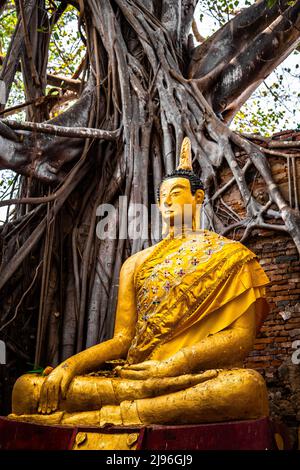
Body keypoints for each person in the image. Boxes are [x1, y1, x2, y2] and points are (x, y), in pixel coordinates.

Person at [10, 138, 270, 426]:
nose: (167, 201)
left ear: (198, 198)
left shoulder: (232, 255)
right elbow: (123, 340)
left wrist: (177, 364)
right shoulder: (136, 263)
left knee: (246, 388)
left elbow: (240, 338)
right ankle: (144, 401)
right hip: (134, 377)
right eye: (162, 195)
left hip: (188, 377)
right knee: (27, 389)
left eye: (176, 192)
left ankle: (107, 415)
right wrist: (69, 366)